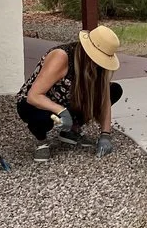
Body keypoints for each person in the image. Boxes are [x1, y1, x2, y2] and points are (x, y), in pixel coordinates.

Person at [16, 25, 122, 162]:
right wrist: (61, 111)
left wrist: (105, 134)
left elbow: (104, 98)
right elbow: (34, 96)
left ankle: (71, 130)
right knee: (39, 116)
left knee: (115, 90)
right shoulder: (62, 56)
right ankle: (41, 141)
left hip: (69, 100)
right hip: (39, 102)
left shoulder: (98, 67)